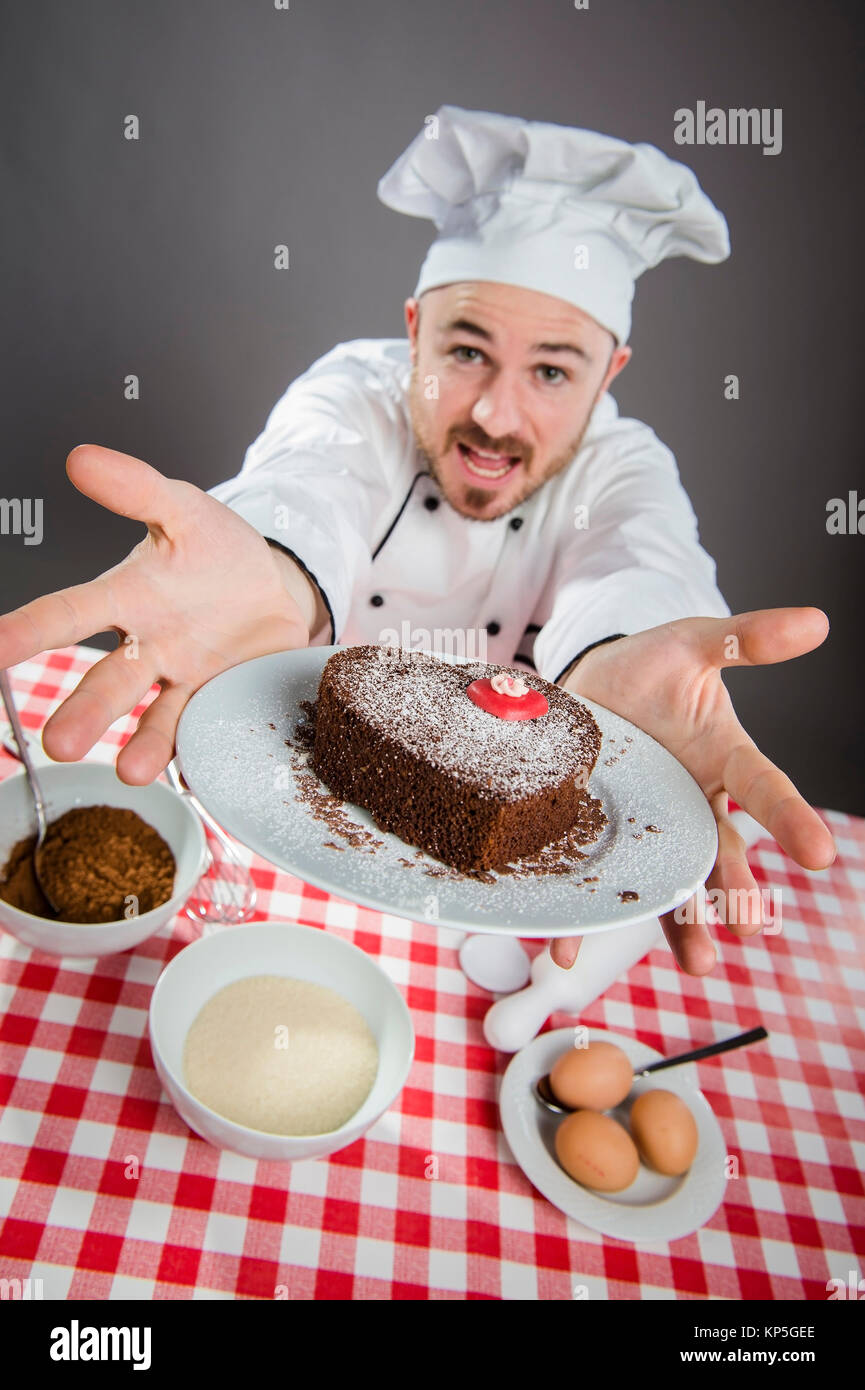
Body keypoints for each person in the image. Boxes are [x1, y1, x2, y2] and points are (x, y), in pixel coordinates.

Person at [0, 107, 835, 976]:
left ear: (610, 372)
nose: (493, 416)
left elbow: (640, 565)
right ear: (412, 332)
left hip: (491, 899)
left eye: (552, 371)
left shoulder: (625, 468)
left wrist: (622, 651)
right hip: (288, 824)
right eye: (466, 352)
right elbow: (310, 482)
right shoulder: (352, 395)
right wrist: (278, 566)